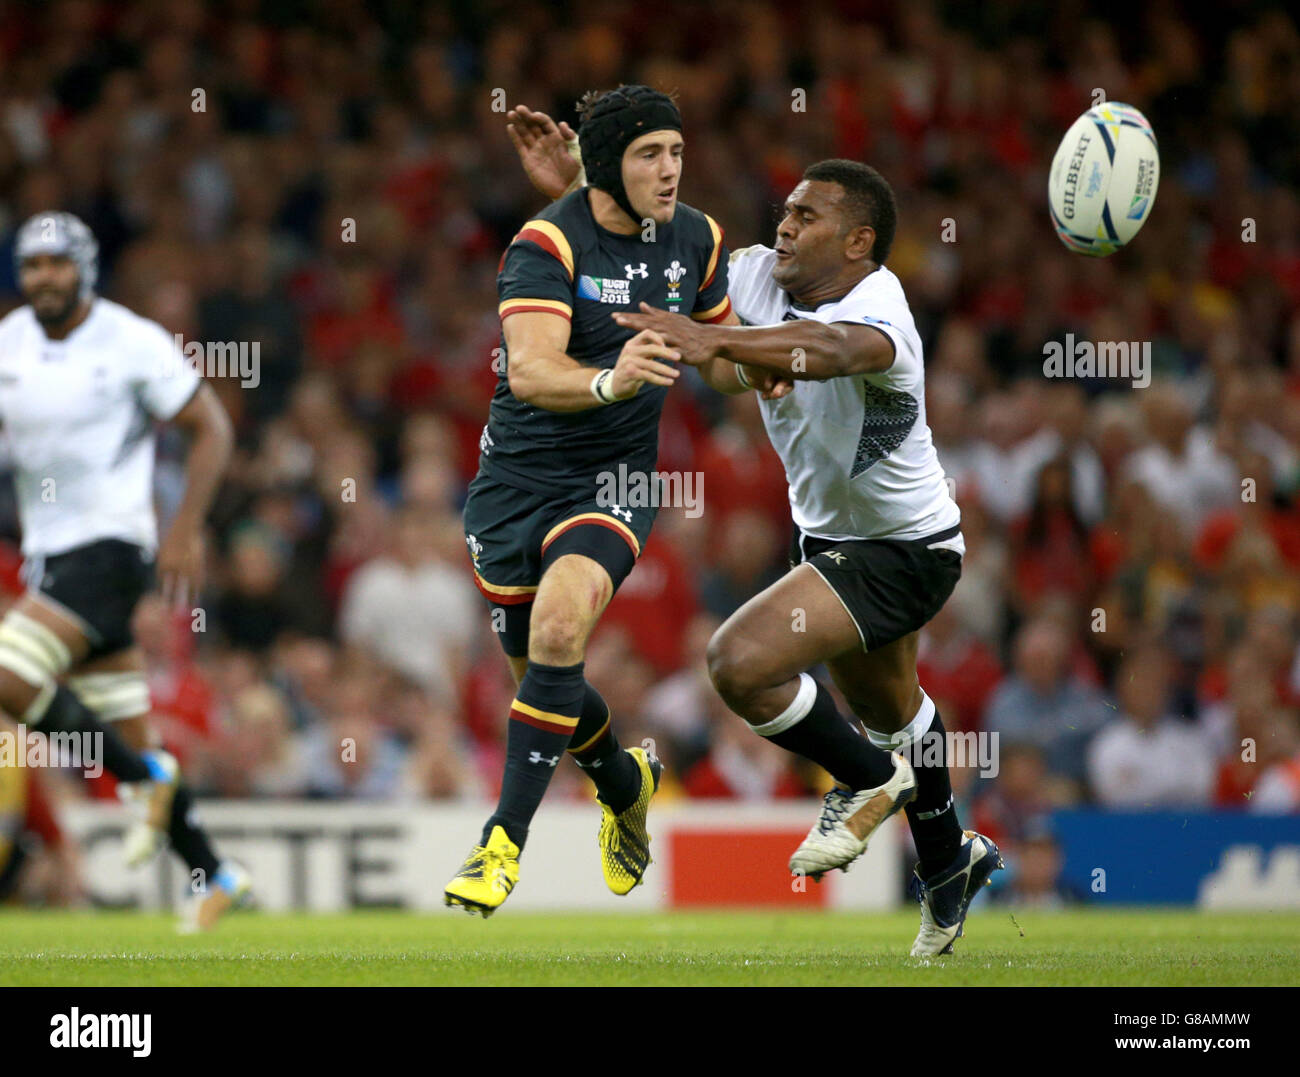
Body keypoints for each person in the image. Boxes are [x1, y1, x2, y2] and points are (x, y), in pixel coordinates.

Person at [510, 103, 1003, 955]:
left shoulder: (879, 303)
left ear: (856, 243)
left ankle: (860, 783)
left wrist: (722, 348)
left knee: (737, 663)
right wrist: (582, 187)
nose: (785, 222)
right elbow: (654, 255)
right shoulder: (754, 273)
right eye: (785, 209)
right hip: (831, 540)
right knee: (900, 715)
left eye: (807, 216)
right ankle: (949, 860)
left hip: (906, 550)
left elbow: (836, 351)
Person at [445, 87, 777, 916]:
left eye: (675, 152)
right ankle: (624, 782)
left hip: (614, 483)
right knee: (544, 679)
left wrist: (762, 359)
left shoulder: (695, 238)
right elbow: (529, 369)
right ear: (607, 166)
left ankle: (500, 846)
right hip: (513, 488)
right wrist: (611, 377)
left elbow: (718, 355)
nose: (670, 172)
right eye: (647, 155)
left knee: (560, 628)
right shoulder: (542, 243)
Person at [0, 212, 247, 929]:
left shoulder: (131, 339)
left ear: (84, 266)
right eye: (32, 264)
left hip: (111, 548)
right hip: (49, 554)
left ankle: (147, 778)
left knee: (9, 674)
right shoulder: (9, 342)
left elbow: (213, 428)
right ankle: (214, 874)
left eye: (56, 262)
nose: (44, 276)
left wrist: (186, 529)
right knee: (129, 727)